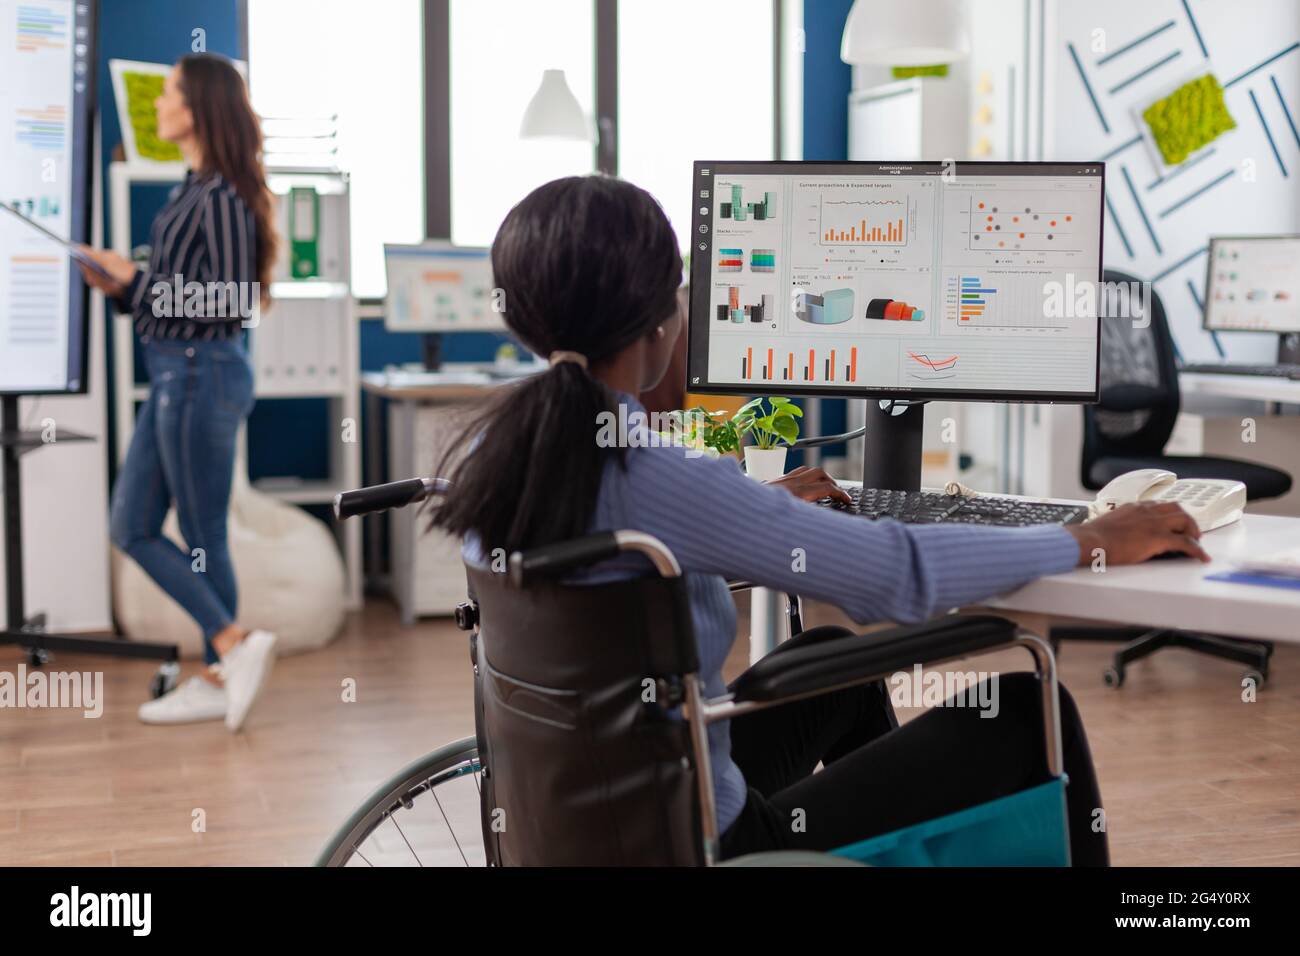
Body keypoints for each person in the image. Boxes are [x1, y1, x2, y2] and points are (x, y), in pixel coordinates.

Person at [432, 175, 1209, 865]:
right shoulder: (656, 476)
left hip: (592, 817)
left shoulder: (502, 457)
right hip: (706, 839)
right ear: (660, 320)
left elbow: (646, 538)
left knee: (836, 662)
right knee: (1024, 706)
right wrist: (1090, 537)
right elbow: (897, 579)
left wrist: (764, 512)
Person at [78, 54, 279, 731]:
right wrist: (124, 284)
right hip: (179, 375)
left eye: (167, 94)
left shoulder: (219, 197)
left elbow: (224, 300)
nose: (158, 105)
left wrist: (131, 282)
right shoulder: (195, 189)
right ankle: (230, 654)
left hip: (199, 373)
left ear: (195, 109)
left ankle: (228, 661)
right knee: (133, 524)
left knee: (199, 534)